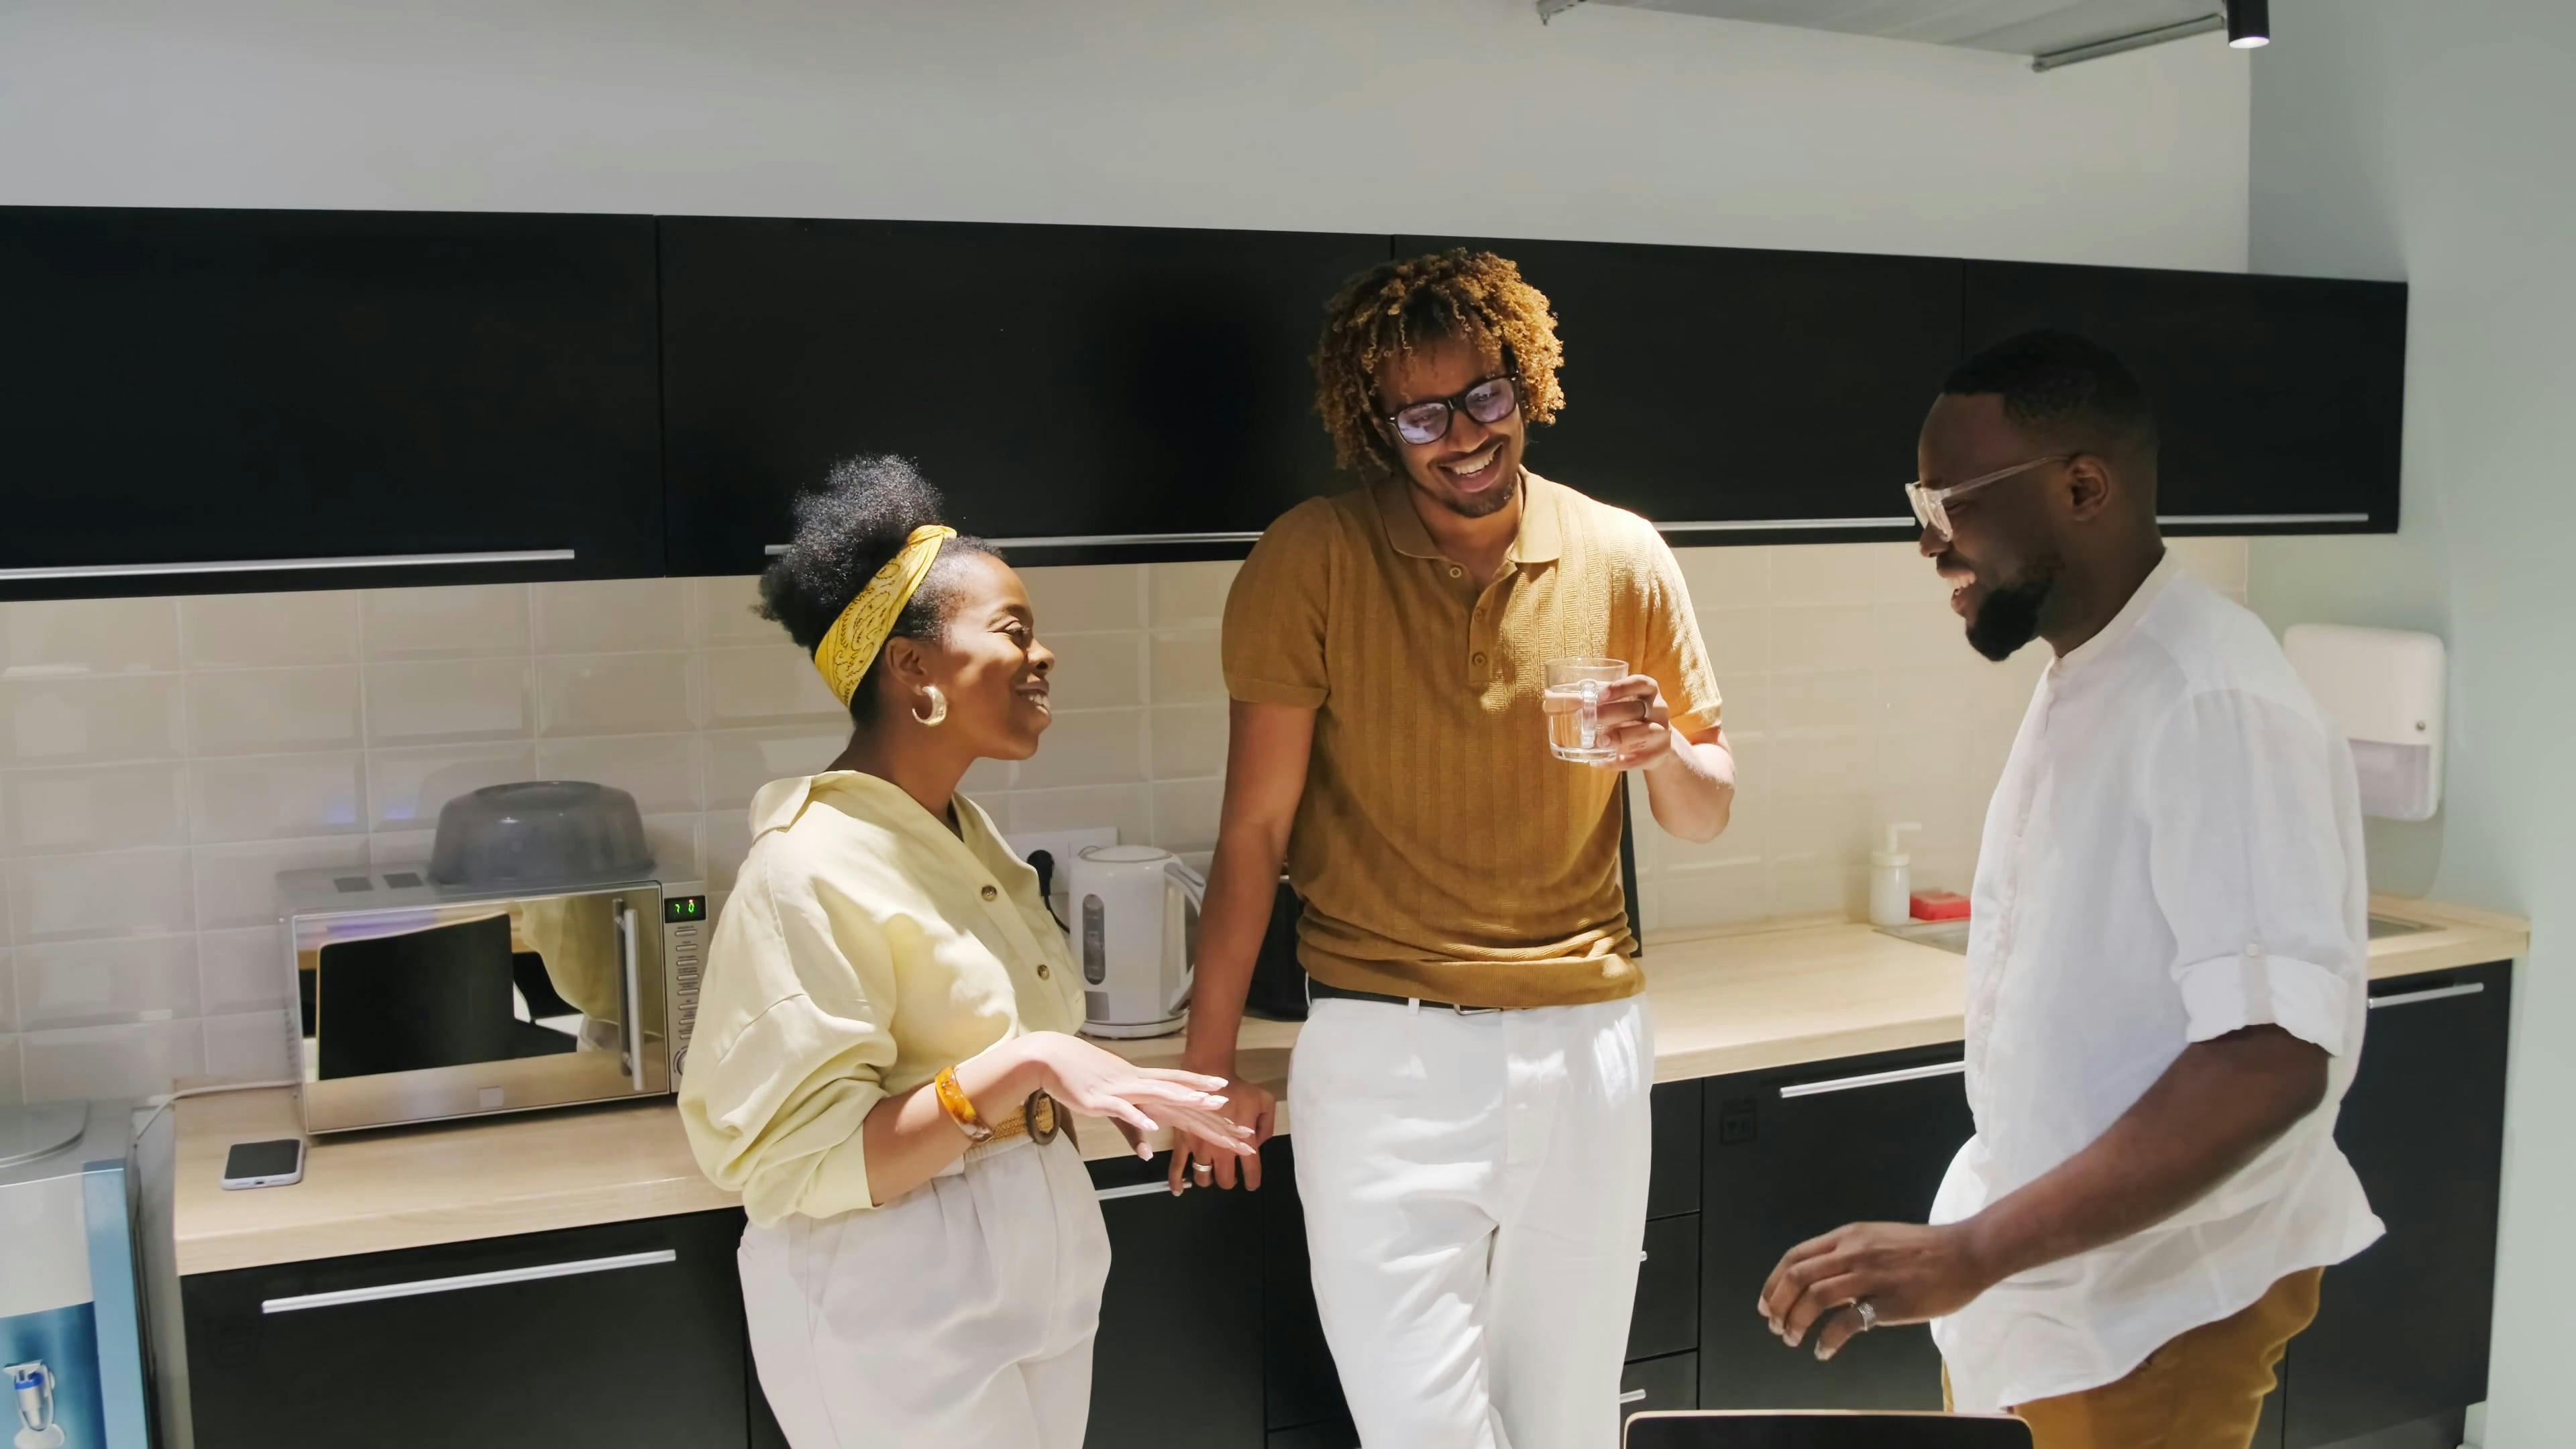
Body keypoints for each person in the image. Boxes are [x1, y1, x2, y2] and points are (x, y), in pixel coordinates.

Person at [1756, 332, 2382, 1449]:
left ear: (2083, 488)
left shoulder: (2212, 698)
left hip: (2152, 1313)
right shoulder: (2100, 667)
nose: (1928, 541)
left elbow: (2270, 1060)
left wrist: (1972, 1251)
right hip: (2053, 1289)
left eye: (1950, 504)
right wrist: (1981, 1249)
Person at [1166, 249, 1737, 1448]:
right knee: (1419, 1428)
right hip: (1387, 1053)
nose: (1464, 438)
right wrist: (1207, 1066)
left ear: (1527, 381)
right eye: (1422, 416)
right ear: (1376, 425)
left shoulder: (1624, 554)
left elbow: (1705, 810)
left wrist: (1660, 754)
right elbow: (1254, 833)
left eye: (1484, 396)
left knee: (1569, 1426)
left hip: (1587, 1045)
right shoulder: (1312, 559)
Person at [677, 455, 1255, 1449]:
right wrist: (1031, 1064)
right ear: (913, 668)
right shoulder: (806, 866)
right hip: (892, 1295)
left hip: (1037, 1264)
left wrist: (1101, 1084)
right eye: (1013, 631)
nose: (1044, 655)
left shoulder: (959, 834)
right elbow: (797, 1162)